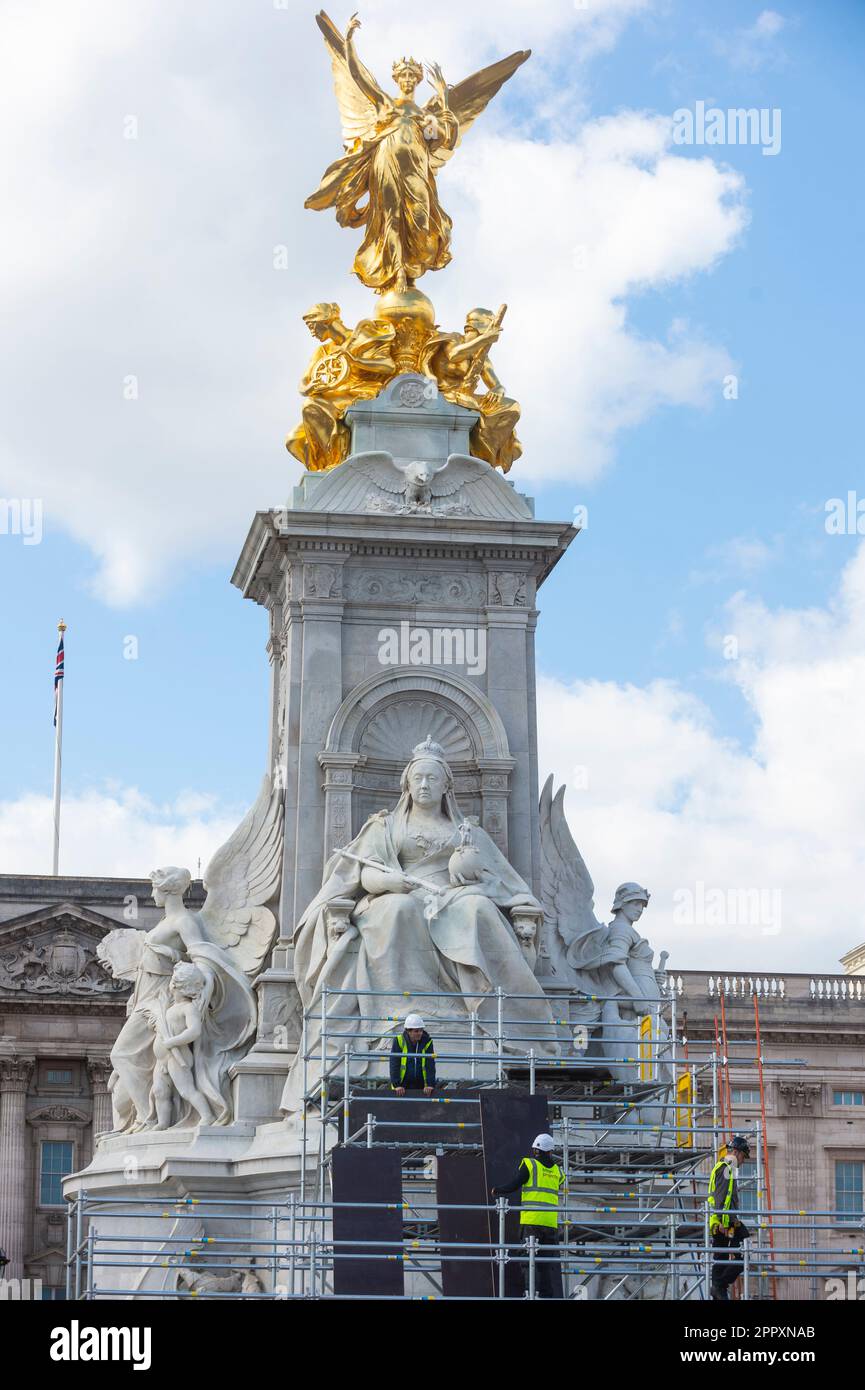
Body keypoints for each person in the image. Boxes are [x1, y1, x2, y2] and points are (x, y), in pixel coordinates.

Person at [491, 1133, 566, 1299]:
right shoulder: (558, 1171)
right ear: (550, 1151)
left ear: (535, 1149)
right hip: (550, 1224)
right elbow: (559, 1182)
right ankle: (546, 1297)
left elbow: (515, 1184)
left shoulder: (530, 1164)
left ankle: (529, 1294)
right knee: (545, 1265)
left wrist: (498, 1190)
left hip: (531, 1222)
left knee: (528, 1262)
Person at [709, 1134, 751, 1300]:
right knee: (723, 1255)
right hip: (723, 1223)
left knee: (737, 1252)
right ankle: (719, 1287)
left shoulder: (728, 1168)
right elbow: (720, 1197)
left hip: (729, 1221)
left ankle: (719, 1287)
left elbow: (726, 1198)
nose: (743, 1161)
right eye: (743, 1156)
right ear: (736, 1152)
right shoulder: (726, 1168)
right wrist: (722, 1222)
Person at [389, 1013, 436, 1095]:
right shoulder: (399, 1041)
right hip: (402, 1086)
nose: (420, 1033)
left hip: (422, 1085)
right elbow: (394, 1064)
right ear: (408, 1031)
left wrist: (430, 1084)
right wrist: (397, 1085)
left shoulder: (427, 1042)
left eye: (421, 1030)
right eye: (416, 1031)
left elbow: (430, 1064)